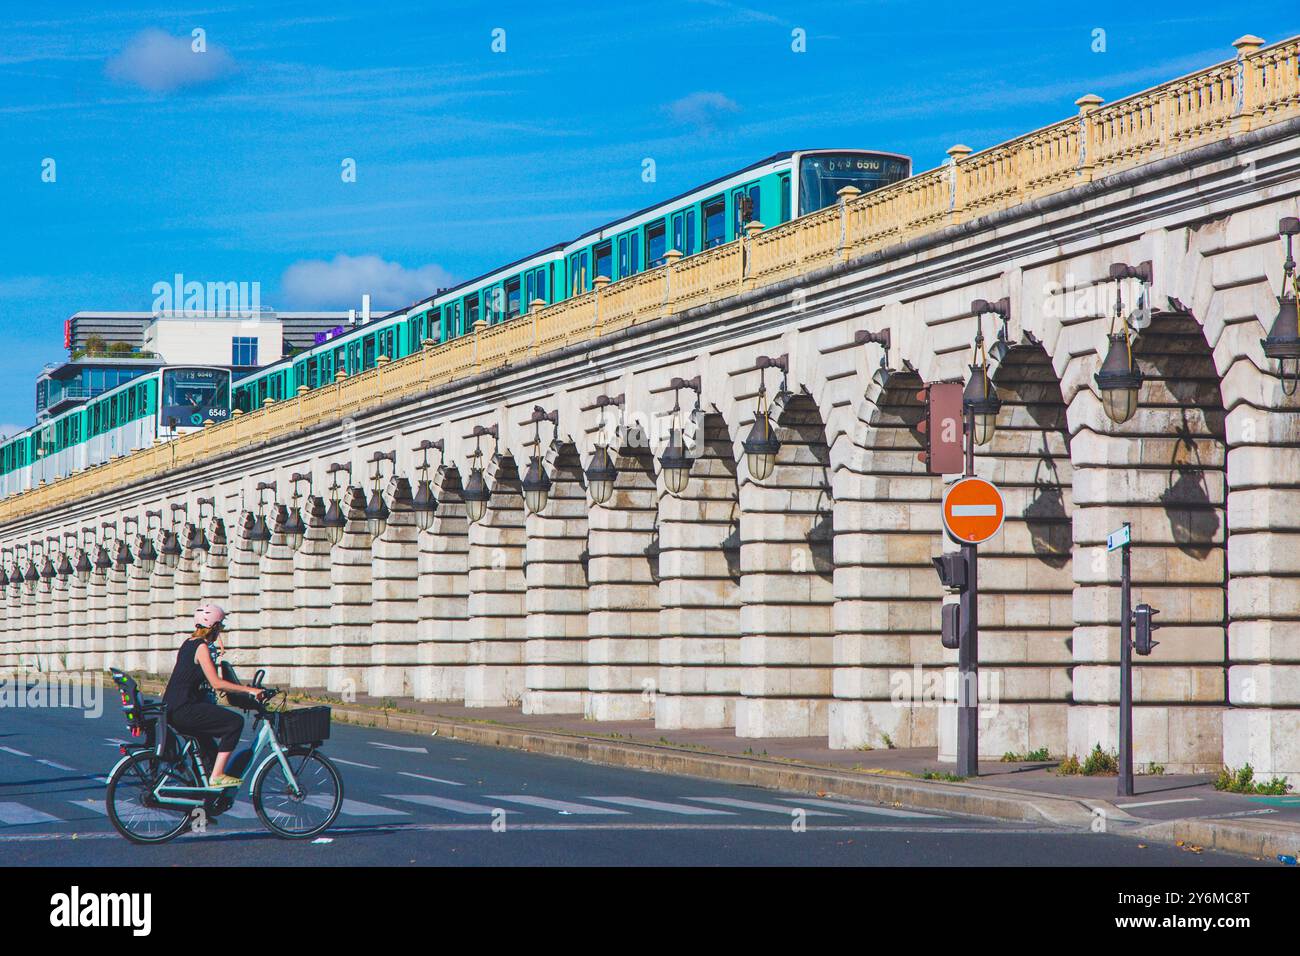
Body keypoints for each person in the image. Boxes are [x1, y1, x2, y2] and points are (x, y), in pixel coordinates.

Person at [162, 604, 263, 787]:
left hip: (172, 707)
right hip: (185, 708)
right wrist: (251, 691)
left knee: (208, 751)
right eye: (221, 627)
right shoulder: (201, 648)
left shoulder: (188, 643)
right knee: (234, 723)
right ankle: (217, 776)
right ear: (214, 627)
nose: (221, 631)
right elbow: (216, 683)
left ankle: (202, 793)